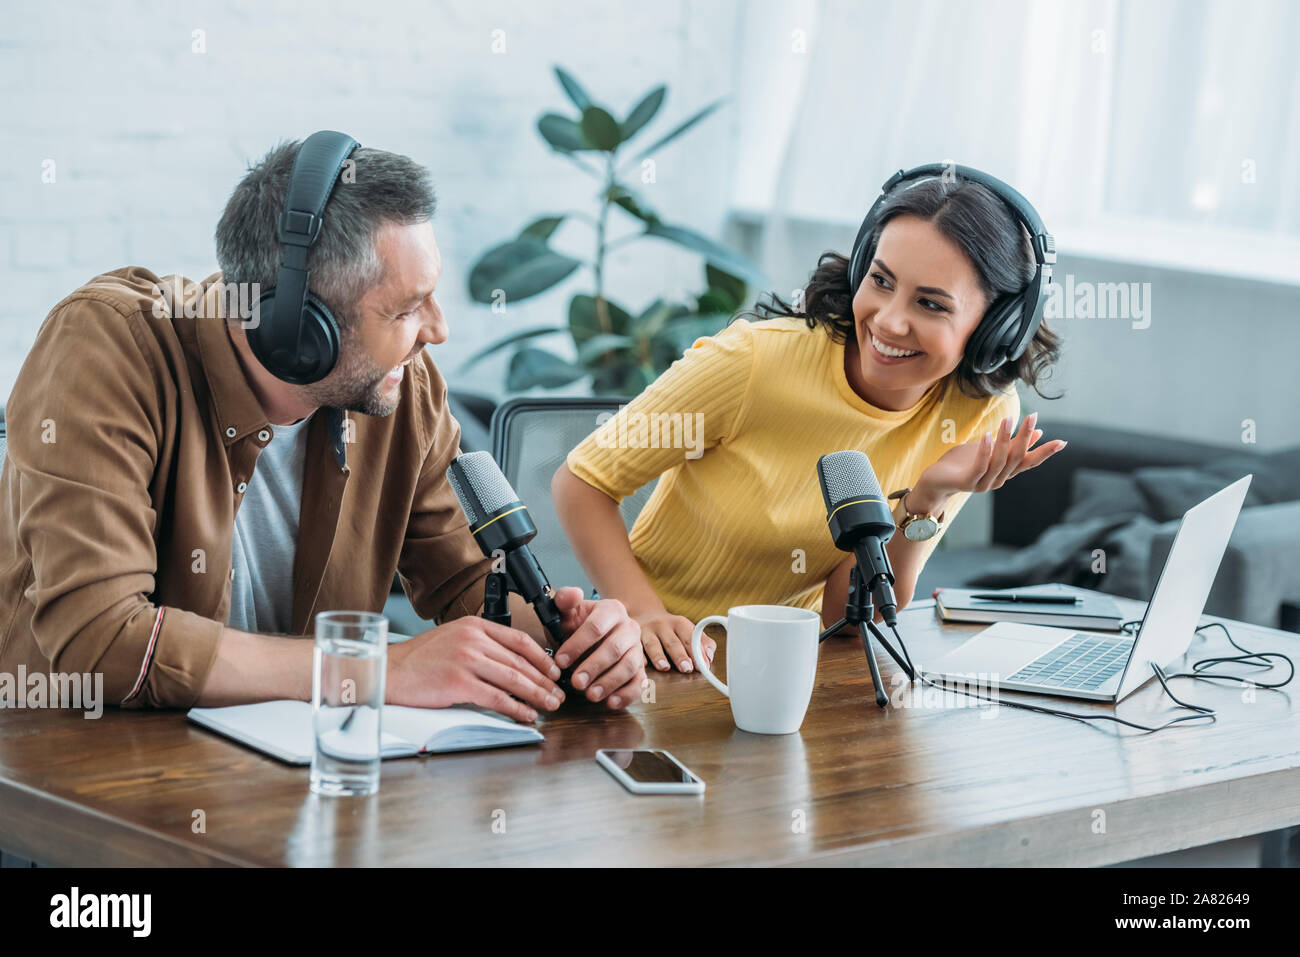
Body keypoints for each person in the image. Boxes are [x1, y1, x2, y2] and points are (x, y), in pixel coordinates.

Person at [0, 133, 643, 719]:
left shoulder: (401, 387)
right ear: (299, 331)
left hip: (295, 781)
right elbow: (101, 640)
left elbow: (472, 583)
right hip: (81, 780)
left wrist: (579, 641)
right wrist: (377, 668)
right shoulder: (108, 347)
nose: (438, 332)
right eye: (407, 309)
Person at [554, 167, 1066, 673]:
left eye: (930, 303)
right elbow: (583, 482)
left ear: (996, 329)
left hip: (789, 667)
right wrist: (644, 614)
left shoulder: (980, 415)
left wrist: (925, 500)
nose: (889, 320)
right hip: (654, 659)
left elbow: (843, 618)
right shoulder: (751, 364)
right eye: (881, 280)